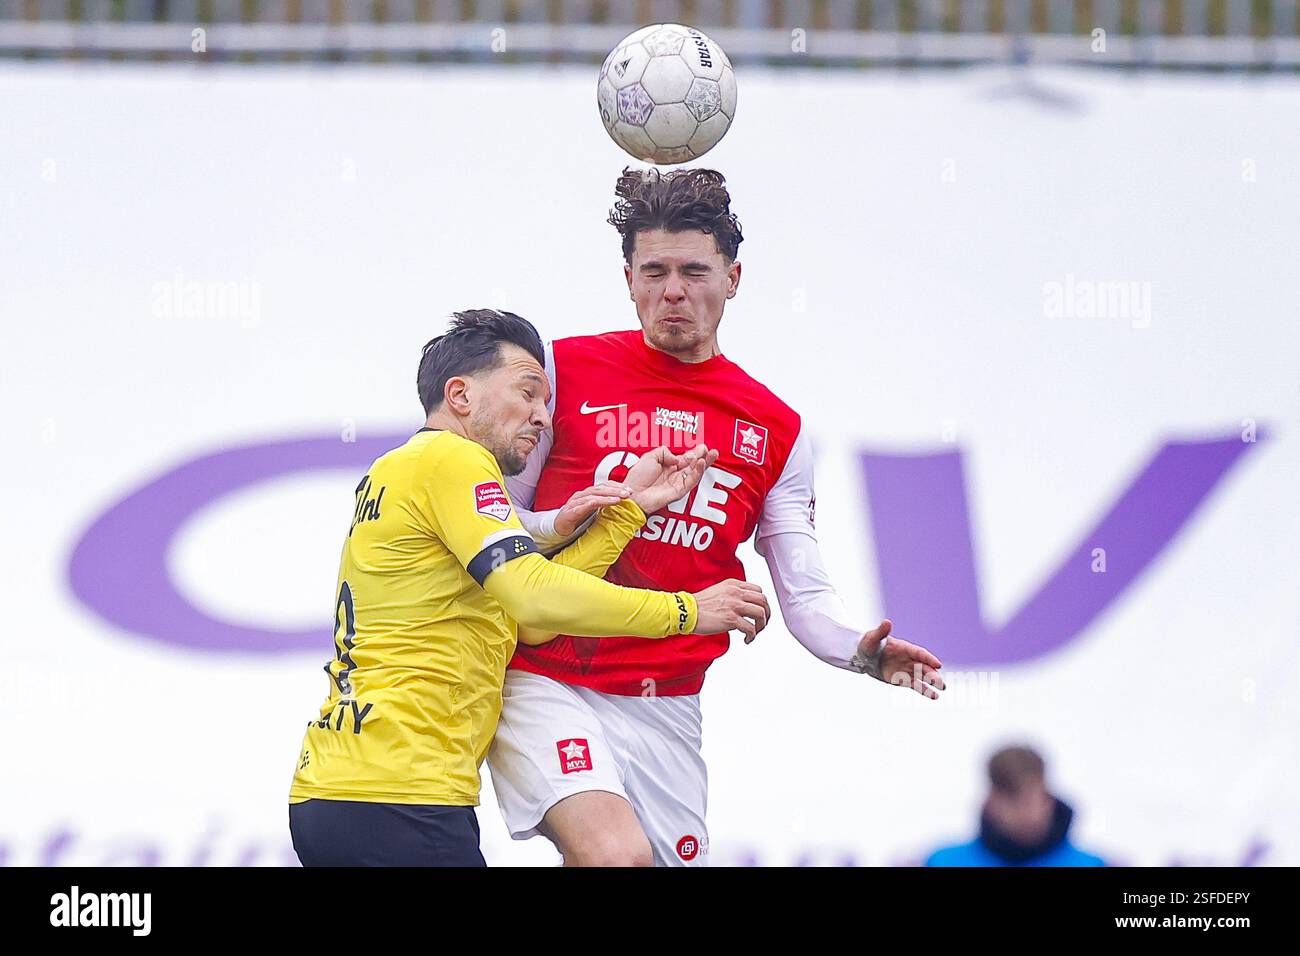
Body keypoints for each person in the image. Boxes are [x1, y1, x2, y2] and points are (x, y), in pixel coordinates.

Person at [486, 169, 947, 867]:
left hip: (665, 699)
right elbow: (504, 521)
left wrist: (861, 652)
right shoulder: (559, 371)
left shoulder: (777, 429)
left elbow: (804, 594)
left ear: (733, 278)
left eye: (695, 271)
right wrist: (580, 518)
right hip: (545, 673)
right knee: (615, 857)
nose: (674, 291)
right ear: (629, 278)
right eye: (655, 271)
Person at [287, 309, 769, 866]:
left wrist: (625, 514)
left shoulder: (403, 467)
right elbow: (532, 594)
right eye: (528, 393)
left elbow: (532, 623)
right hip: (400, 796)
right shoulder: (453, 459)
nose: (545, 417)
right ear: (461, 396)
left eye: (546, 401)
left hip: (347, 787)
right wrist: (685, 610)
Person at [926, 745, 1106, 867]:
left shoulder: (1095, 865)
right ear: (990, 803)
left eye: (1034, 801)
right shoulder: (942, 863)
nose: (1028, 815)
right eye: (1013, 802)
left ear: (1049, 800)